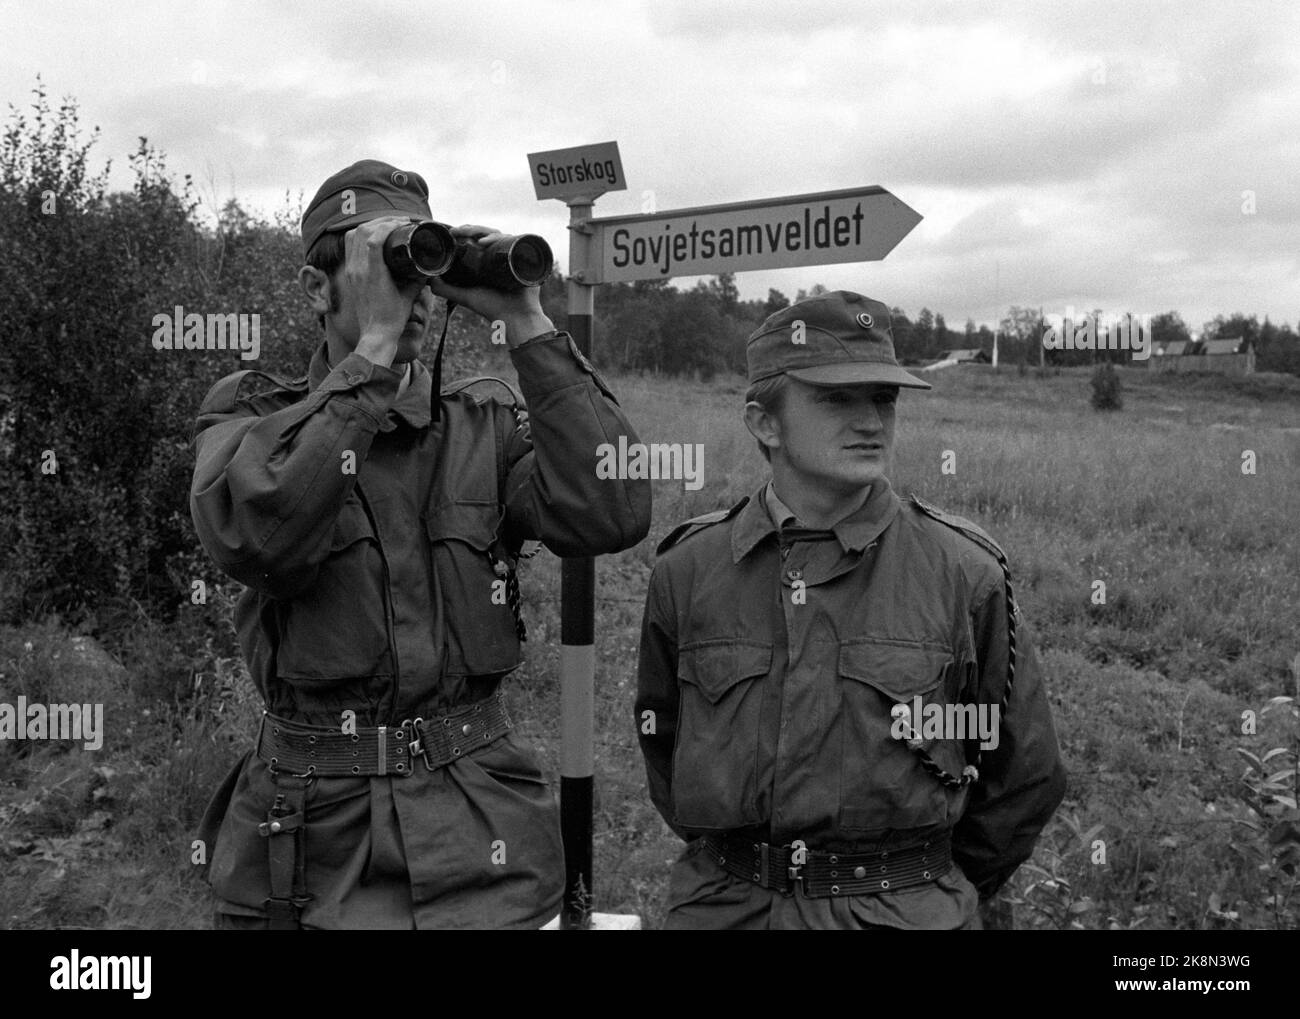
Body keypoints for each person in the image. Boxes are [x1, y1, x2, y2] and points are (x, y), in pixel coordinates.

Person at [190, 159, 651, 929]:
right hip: (311, 854)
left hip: (485, 844)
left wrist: (528, 323)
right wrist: (369, 354)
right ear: (316, 287)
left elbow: (612, 508)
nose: (409, 298)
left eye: (415, 268)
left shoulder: (483, 427)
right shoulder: (253, 419)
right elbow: (256, 533)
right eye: (383, 267)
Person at [635, 290, 1066, 929]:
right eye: (838, 398)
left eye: (883, 399)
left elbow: (1021, 773)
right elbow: (663, 741)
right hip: (726, 910)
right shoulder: (689, 570)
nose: (871, 422)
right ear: (764, 423)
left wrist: (923, 894)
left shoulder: (962, 574)